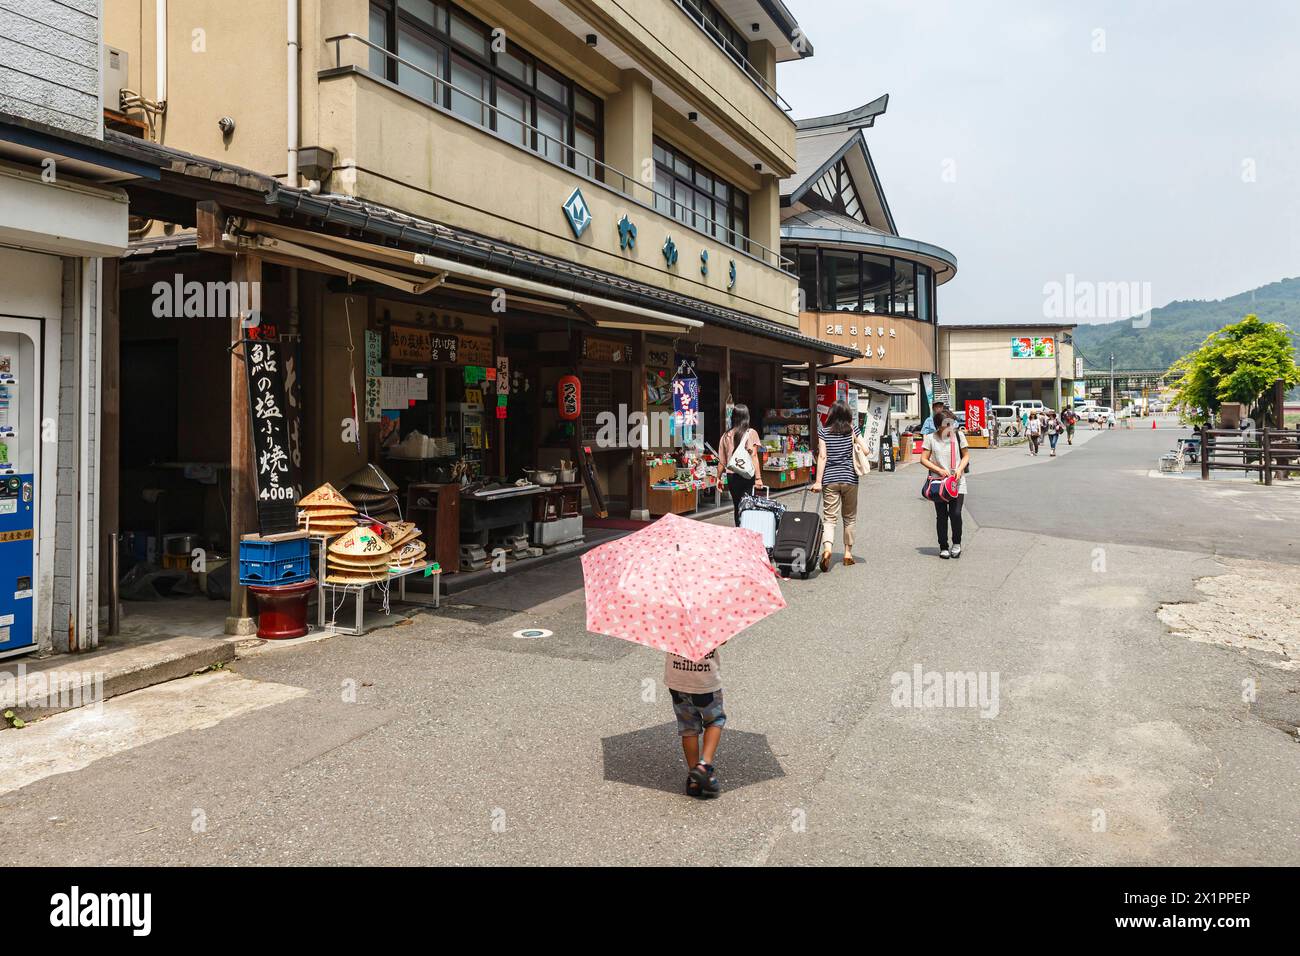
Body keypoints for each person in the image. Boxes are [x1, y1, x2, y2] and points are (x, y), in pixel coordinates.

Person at [811, 400, 864, 572]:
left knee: (829, 518)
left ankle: (827, 550)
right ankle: (848, 554)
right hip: (850, 478)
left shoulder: (823, 431)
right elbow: (866, 450)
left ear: (831, 414)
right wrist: (854, 437)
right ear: (848, 414)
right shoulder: (852, 431)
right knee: (849, 517)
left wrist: (818, 481)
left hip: (830, 480)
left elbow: (822, 457)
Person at [665, 646, 725, 799]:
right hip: (705, 685)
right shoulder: (710, 622)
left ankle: (693, 779)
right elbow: (722, 639)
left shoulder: (670, 623)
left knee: (688, 728)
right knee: (715, 721)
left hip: (677, 683)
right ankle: (704, 765)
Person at [921, 412, 969, 559]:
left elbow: (966, 455)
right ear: (938, 426)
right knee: (941, 515)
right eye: (946, 424)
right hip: (939, 483)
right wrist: (939, 470)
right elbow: (923, 459)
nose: (950, 427)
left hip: (957, 482)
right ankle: (943, 546)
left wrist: (960, 469)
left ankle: (956, 543)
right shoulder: (931, 438)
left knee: (955, 514)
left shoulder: (959, 436)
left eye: (951, 423)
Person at [717, 403, 764, 527]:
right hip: (747, 475)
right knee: (748, 504)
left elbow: (722, 460)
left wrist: (718, 478)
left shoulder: (725, 436)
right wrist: (758, 478)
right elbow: (753, 456)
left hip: (732, 476)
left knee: (737, 504)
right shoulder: (751, 433)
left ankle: (739, 530)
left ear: (733, 417)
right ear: (747, 417)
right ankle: (747, 530)